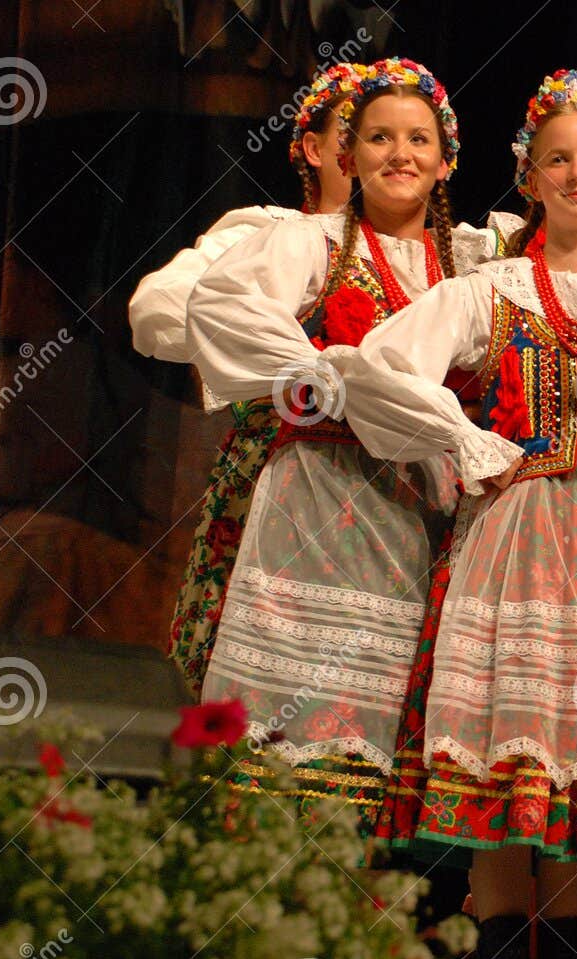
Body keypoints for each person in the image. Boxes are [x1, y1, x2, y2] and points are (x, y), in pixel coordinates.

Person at [341, 69, 577, 959]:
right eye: (556, 158)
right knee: (504, 758)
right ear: (529, 177)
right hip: (513, 540)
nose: (575, 173)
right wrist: (463, 441)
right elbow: (381, 365)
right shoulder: (493, 288)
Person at [183, 58, 513, 821]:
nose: (400, 154)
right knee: (286, 736)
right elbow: (223, 307)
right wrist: (328, 378)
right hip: (317, 496)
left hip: (414, 512)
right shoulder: (316, 243)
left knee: (376, 738)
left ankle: (355, 925)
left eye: (418, 139)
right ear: (348, 155)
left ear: (445, 158)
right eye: (378, 138)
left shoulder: (470, 262)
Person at [134, 61, 362, 695]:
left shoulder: (443, 250)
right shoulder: (267, 233)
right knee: (252, 667)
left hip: (391, 485)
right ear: (314, 149)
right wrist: (296, 366)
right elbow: (157, 310)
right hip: (278, 469)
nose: (378, 148)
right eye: (357, 130)